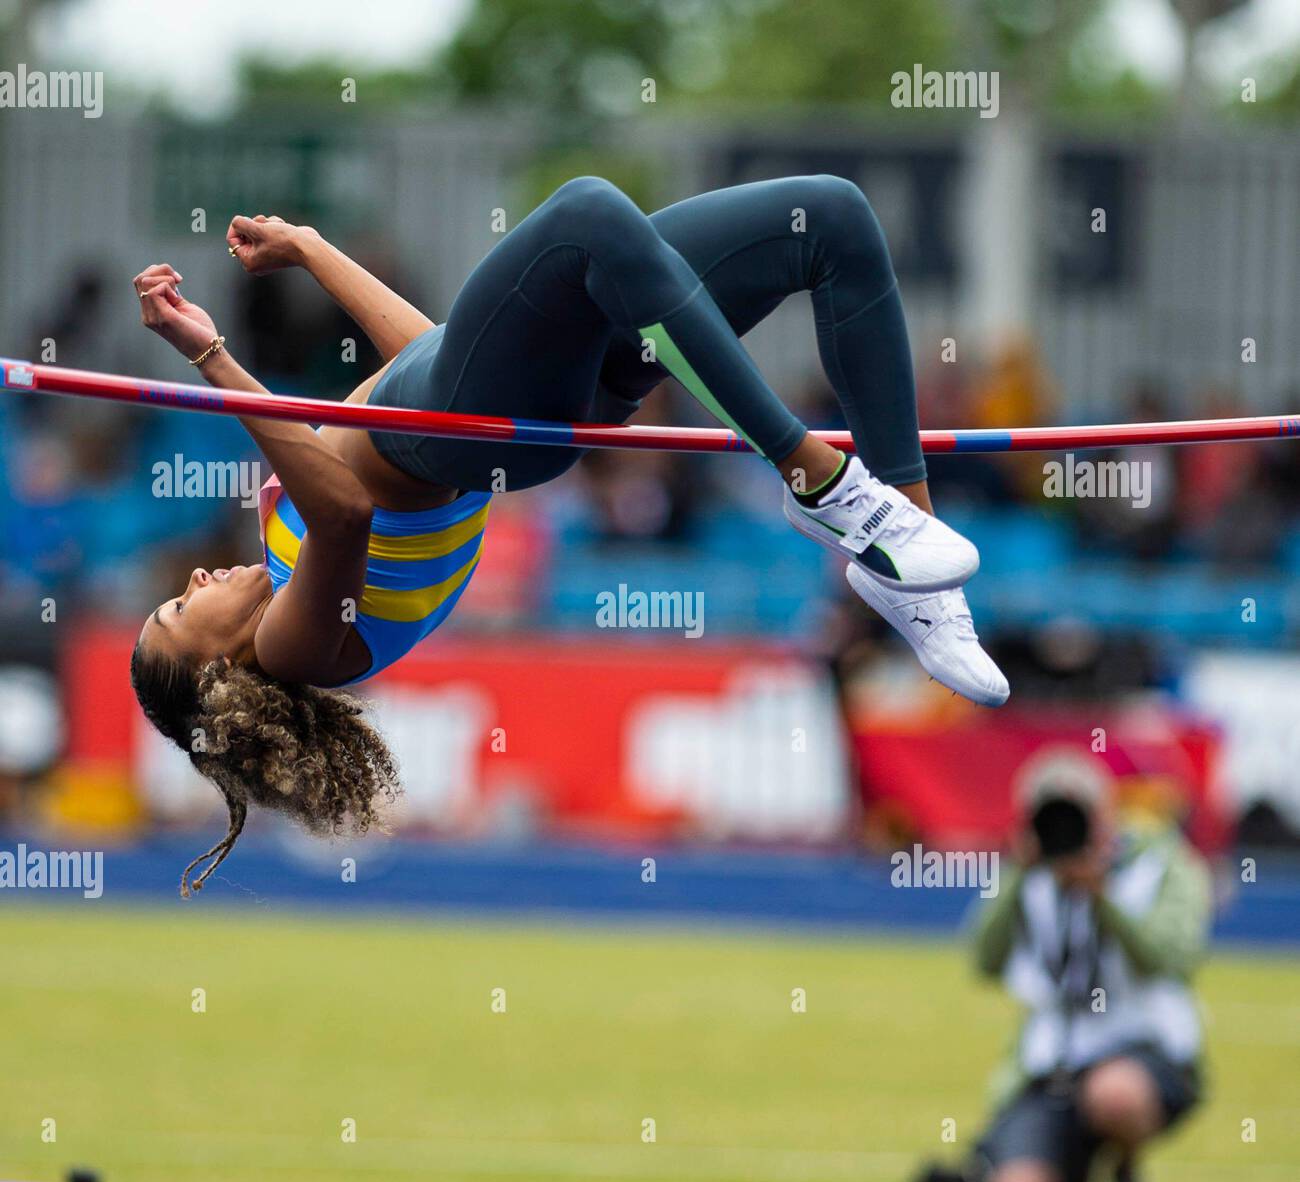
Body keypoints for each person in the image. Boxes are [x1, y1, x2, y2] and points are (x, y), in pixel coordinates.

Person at [130, 175, 1008, 893]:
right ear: (215, 677)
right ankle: (814, 476)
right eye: (178, 608)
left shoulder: (281, 563)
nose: (196, 581)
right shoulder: (294, 650)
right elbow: (347, 510)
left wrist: (314, 252)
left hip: (515, 398)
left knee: (829, 221)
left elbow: (421, 360)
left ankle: (910, 558)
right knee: (586, 211)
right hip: (468, 419)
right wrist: (214, 362)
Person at [912, 752, 1211, 1182]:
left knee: (1115, 1097)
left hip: (1141, 1047)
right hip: (1056, 1062)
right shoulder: (1032, 876)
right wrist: (1018, 873)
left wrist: (1101, 898)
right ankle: (1068, 1171)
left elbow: (1170, 958)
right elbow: (984, 959)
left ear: (1105, 815)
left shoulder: (1156, 864)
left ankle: (1125, 1168)